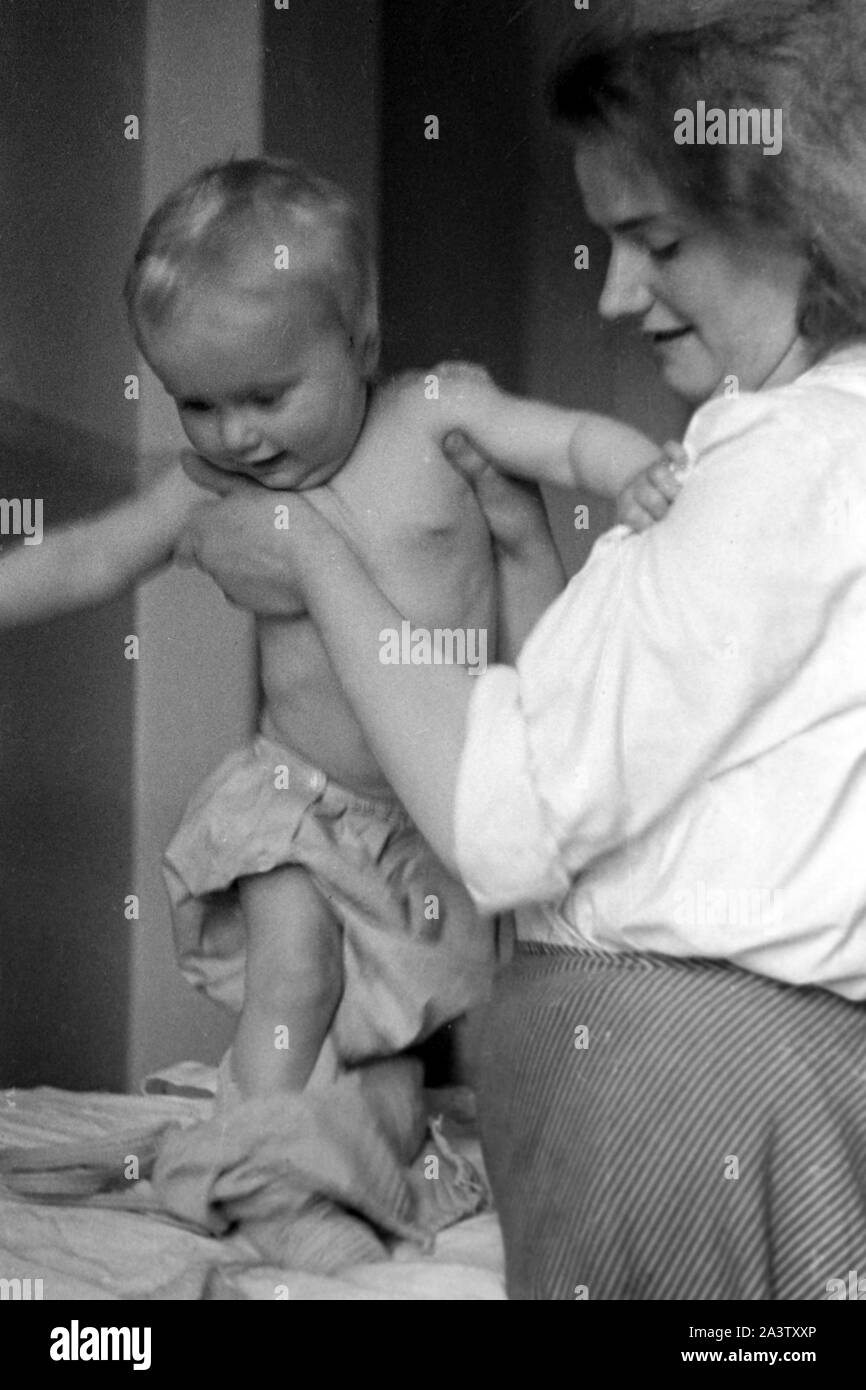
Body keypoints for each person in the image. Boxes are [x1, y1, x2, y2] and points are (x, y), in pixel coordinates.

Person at [175, 0, 866, 1299]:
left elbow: (503, 816)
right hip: (677, 1072)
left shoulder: (785, 461)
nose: (610, 291)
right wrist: (528, 552)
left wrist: (310, 560)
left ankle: (270, 1165)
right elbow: (625, 762)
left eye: (653, 240)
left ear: (812, 212)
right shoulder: (808, 448)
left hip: (681, 1084)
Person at [0, 157, 671, 1102]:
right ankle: (259, 1153)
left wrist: (635, 470)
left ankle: (359, 1152)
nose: (234, 436)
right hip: (296, 801)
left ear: (360, 343)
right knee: (296, 980)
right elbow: (89, 558)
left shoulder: (435, 415)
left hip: (436, 811)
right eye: (197, 404)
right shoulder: (213, 489)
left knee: (410, 1034)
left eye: (267, 397)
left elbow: (561, 439)